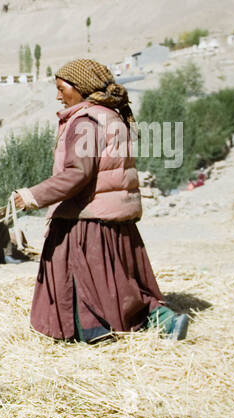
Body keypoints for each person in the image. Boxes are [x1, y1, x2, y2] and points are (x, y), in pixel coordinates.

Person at [12, 58, 189, 343]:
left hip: (88, 219)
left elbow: (77, 174)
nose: (58, 96)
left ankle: (109, 331)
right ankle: (161, 321)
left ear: (81, 87)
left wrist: (32, 196)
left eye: (61, 88)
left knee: (91, 285)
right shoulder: (110, 115)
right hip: (110, 217)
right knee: (121, 283)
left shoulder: (86, 120)